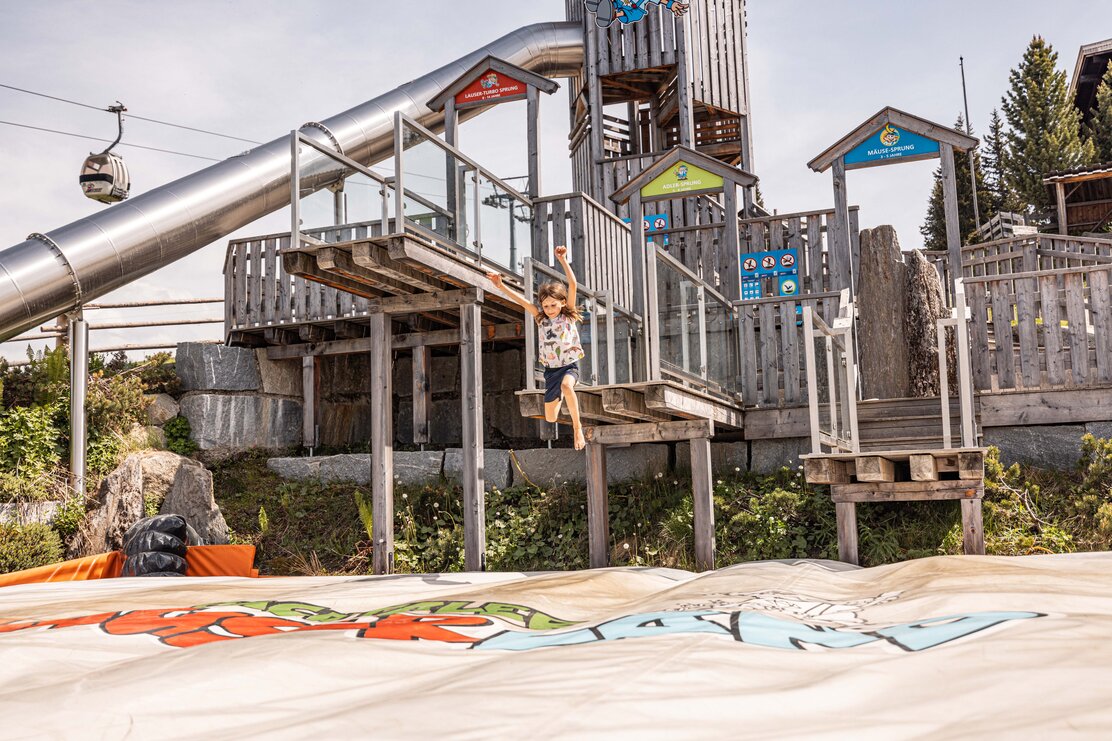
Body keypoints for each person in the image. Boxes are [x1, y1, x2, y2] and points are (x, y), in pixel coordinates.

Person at [487, 246, 587, 450]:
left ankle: (578, 428)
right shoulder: (540, 318)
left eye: (553, 305)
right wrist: (501, 286)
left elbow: (573, 284)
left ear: (562, 303)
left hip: (569, 366)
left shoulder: (567, 315)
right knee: (550, 417)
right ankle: (560, 394)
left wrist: (563, 260)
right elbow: (521, 301)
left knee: (567, 385)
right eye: (546, 306)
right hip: (551, 371)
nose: (549, 309)